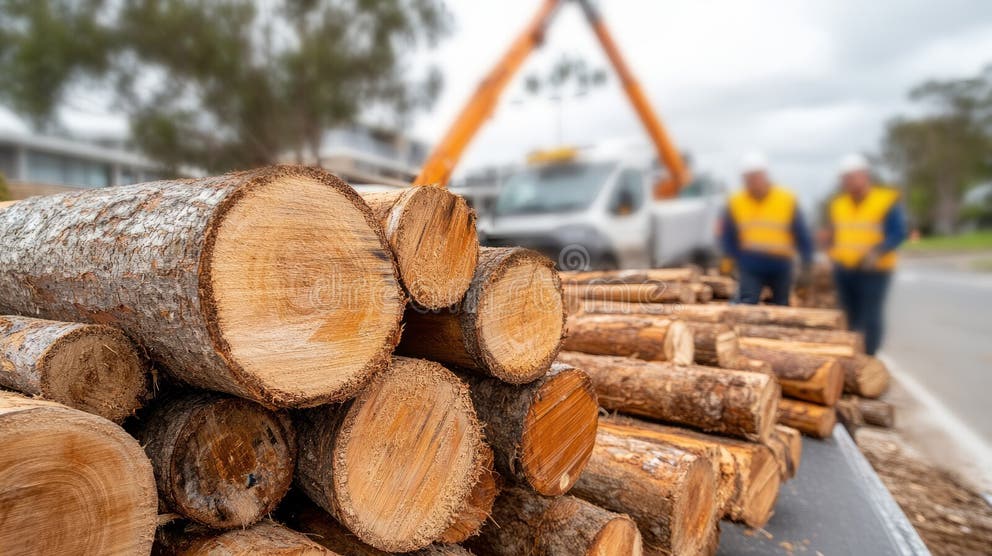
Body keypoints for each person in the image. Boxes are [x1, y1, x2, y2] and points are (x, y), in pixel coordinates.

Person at [827, 154, 907, 355]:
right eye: (845, 178)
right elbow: (836, 234)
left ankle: (870, 356)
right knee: (848, 314)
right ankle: (850, 354)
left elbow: (898, 232)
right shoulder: (839, 205)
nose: (849, 182)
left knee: (870, 314)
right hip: (845, 268)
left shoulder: (884, 201)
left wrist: (879, 251)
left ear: (865, 176)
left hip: (874, 269)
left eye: (853, 177)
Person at [722, 152, 814, 305]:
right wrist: (728, 259)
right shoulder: (736, 202)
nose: (753, 182)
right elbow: (729, 235)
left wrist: (807, 263)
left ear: (765, 176)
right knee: (747, 303)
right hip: (750, 263)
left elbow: (801, 233)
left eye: (756, 177)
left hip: (781, 264)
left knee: (780, 306)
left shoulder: (786, 199)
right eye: (749, 178)